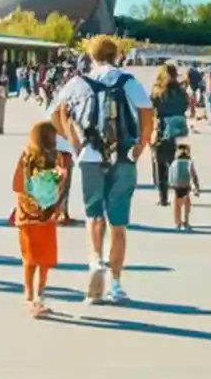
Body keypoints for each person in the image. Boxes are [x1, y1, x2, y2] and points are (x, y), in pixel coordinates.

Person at [51, 36, 155, 304]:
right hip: (123, 154)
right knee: (118, 223)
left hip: (90, 155)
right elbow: (146, 112)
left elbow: (56, 112)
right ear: (117, 55)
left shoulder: (78, 83)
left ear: (91, 56)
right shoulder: (128, 82)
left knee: (93, 215)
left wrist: (73, 139)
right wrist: (141, 145)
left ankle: (95, 262)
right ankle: (116, 284)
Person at [12, 121, 67, 316]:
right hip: (47, 216)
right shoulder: (55, 157)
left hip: (28, 217)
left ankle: (30, 293)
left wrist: (29, 204)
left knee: (31, 258)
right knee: (43, 258)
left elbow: (17, 186)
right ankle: (38, 294)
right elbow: (59, 187)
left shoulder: (26, 156)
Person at [150, 64, 192, 206]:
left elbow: (151, 109)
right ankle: (181, 195)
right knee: (180, 162)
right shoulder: (180, 91)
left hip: (162, 129)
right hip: (179, 129)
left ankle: (163, 197)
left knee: (160, 164)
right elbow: (186, 105)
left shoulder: (157, 91)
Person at [168, 143, 201, 230]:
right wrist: (196, 187)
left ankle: (177, 221)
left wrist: (170, 184)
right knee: (187, 203)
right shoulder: (189, 162)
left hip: (176, 186)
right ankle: (186, 222)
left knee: (177, 204)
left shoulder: (174, 163)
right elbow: (193, 175)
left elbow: (170, 175)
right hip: (185, 186)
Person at [0, 64, 10, 134]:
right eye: (3, 68)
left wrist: (7, 94)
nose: (4, 69)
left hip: (3, 93)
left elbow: (7, 86)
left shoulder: (6, 77)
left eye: (5, 68)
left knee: (2, 112)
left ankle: (1, 128)